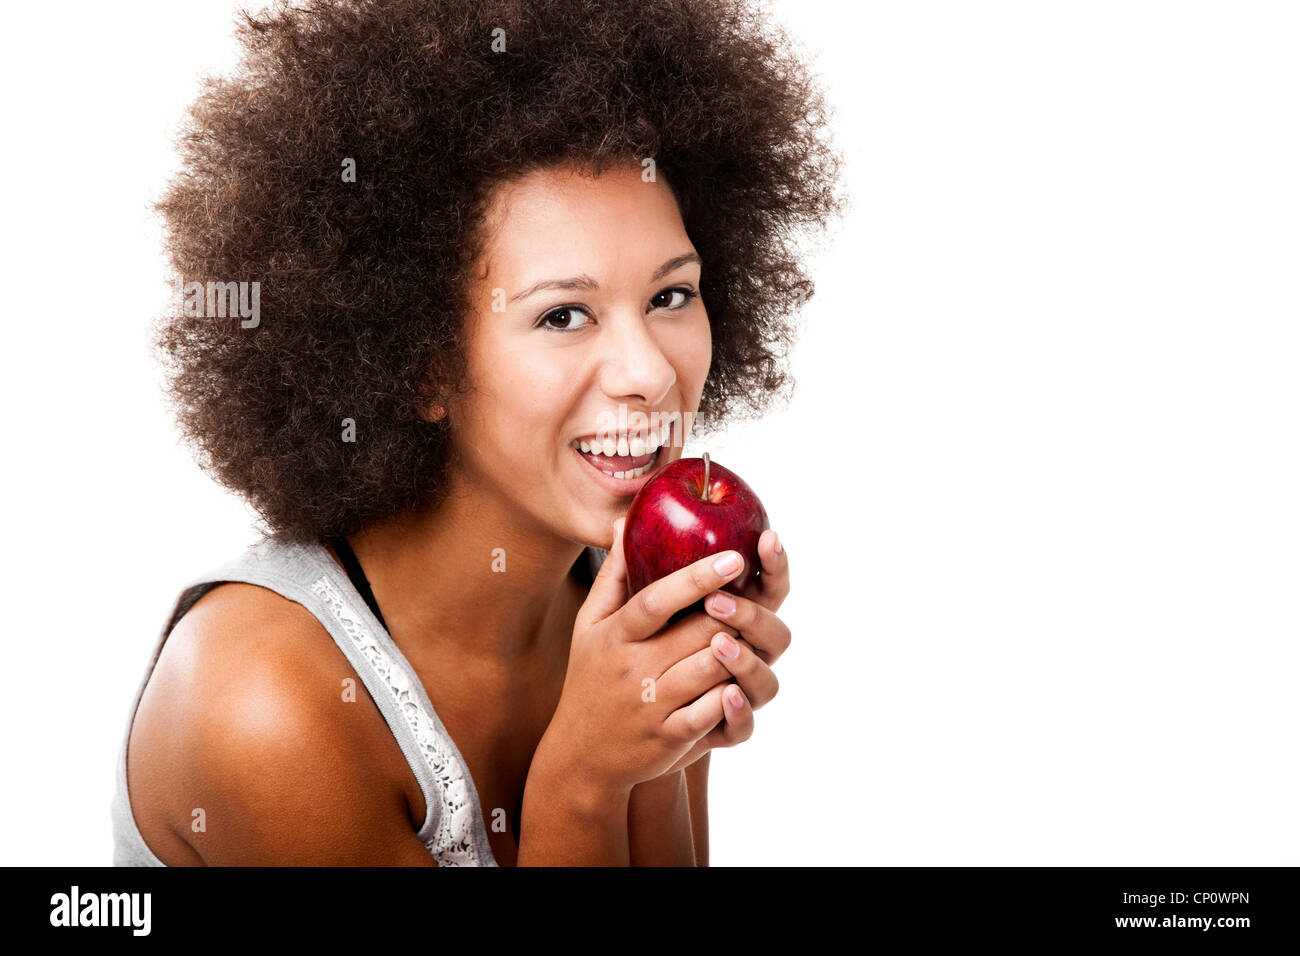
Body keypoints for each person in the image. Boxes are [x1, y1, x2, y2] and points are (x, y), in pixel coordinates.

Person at [111, 0, 843, 866]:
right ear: (419, 360)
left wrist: (660, 745)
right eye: (565, 314)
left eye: (671, 295)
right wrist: (582, 779)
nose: (648, 372)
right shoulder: (266, 702)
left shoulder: (627, 607)